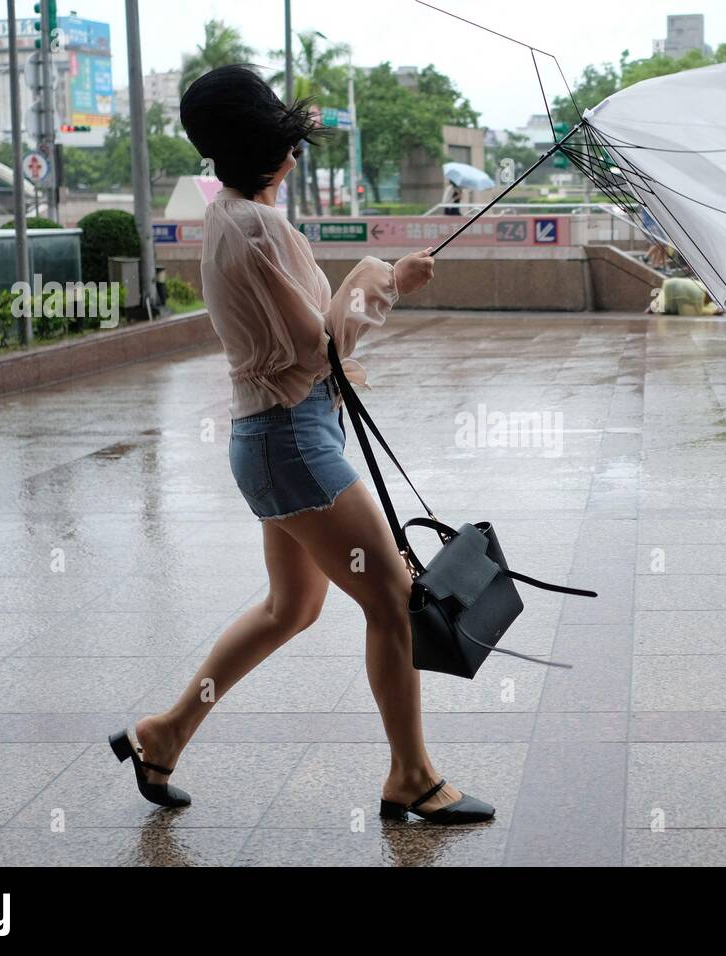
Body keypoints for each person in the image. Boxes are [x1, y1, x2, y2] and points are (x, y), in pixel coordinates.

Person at [106, 64, 495, 825]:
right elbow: (317, 348)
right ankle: (411, 777)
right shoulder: (260, 226)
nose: (294, 155)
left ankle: (164, 732)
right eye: (288, 141)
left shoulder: (226, 216)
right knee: (392, 601)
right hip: (292, 441)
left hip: (268, 437)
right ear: (271, 151)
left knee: (291, 608)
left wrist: (372, 281)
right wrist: (385, 279)